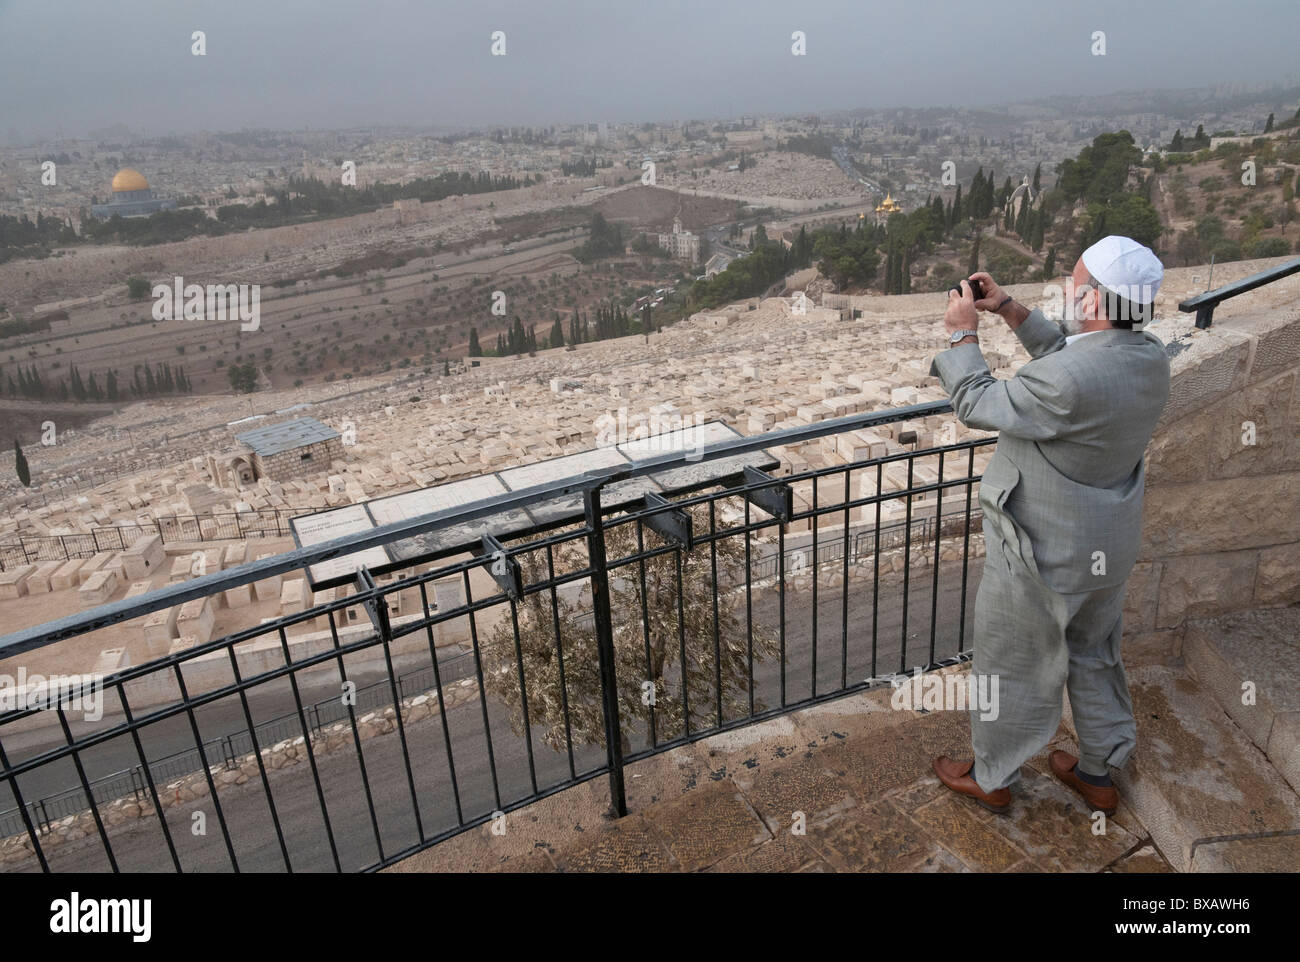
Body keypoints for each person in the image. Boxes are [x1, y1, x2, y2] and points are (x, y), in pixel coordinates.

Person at [927, 235, 1171, 815]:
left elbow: (976, 402)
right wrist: (1009, 308)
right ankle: (1098, 772)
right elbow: (1076, 356)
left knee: (1009, 661)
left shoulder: (1069, 381)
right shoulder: (1149, 356)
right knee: (1094, 653)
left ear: (1095, 302)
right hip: (1106, 545)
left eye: (1075, 281)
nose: (1067, 285)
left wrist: (963, 333)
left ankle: (992, 777)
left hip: (1041, 552)